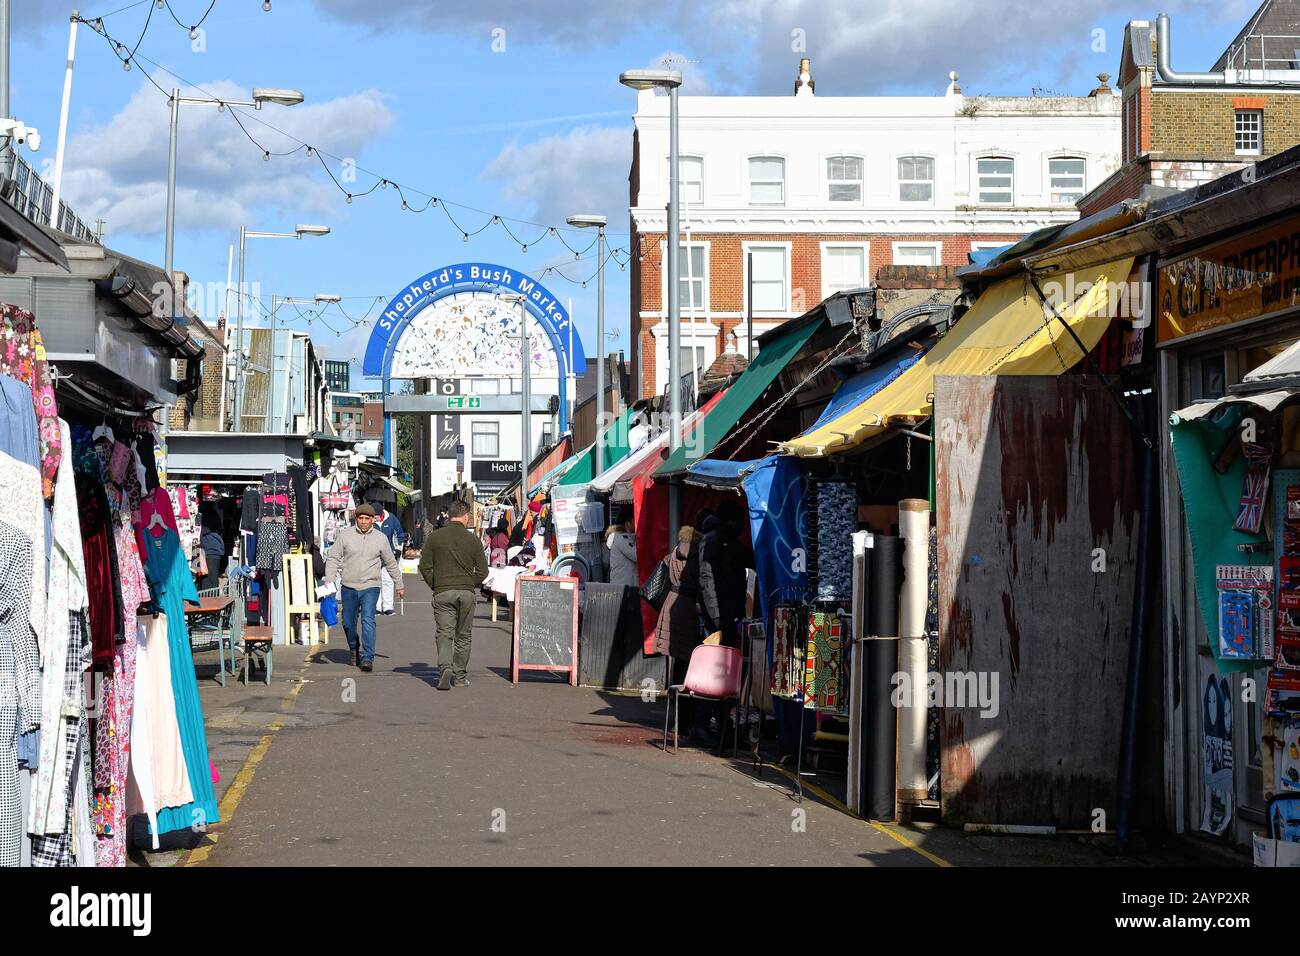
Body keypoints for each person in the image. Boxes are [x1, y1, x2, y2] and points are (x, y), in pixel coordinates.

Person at [323, 503, 405, 672]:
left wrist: (399, 584)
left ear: (373, 519)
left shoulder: (380, 538)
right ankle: (354, 647)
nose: (363, 522)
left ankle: (368, 657)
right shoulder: (345, 535)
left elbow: (390, 562)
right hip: (348, 587)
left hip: (371, 586)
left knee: (368, 619)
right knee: (347, 623)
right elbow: (333, 558)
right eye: (360, 518)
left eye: (367, 518)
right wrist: (329, 581)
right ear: (356, 519)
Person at [418, 499, 489, 690]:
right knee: (463, 635)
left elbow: (424, 566)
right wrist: (469, 584)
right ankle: (459, 677)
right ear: (466, 516)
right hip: (466, 593)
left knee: (444, 633)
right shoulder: (473, 540)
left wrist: (436, 585)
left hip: (443, 592)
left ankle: (445, 668)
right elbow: (483, 572)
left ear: (448, 516)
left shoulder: (435, 537)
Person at [653, 526, 708, 742]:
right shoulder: (696, 557)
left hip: (670, 605)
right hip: (687, 610)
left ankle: (675, 717)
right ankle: (687, 720)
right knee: (688, 666)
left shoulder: (673, 554)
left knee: (675, 665)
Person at [697, 499, 753, 648]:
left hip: (718, 612)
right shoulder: (719, 540)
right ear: (732, 521)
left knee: (718, 655)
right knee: (718, 655)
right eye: (740, 521)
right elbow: (708, 581)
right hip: (720, 613)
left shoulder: (718, 539)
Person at [197, 505, 226, 590]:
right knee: (209, 579)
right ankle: (210, 599)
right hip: (212, 550)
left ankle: (211, 600)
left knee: (209, 580)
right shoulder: (213, 515)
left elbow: (203, 531)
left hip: (210, 550)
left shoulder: (208, 516)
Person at [606, 517, 638, 588]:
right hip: (625, 586)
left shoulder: (618, 537)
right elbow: (636, 555)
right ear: (627, 524)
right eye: (634, 521)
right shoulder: (621, 538)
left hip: (621, 584)